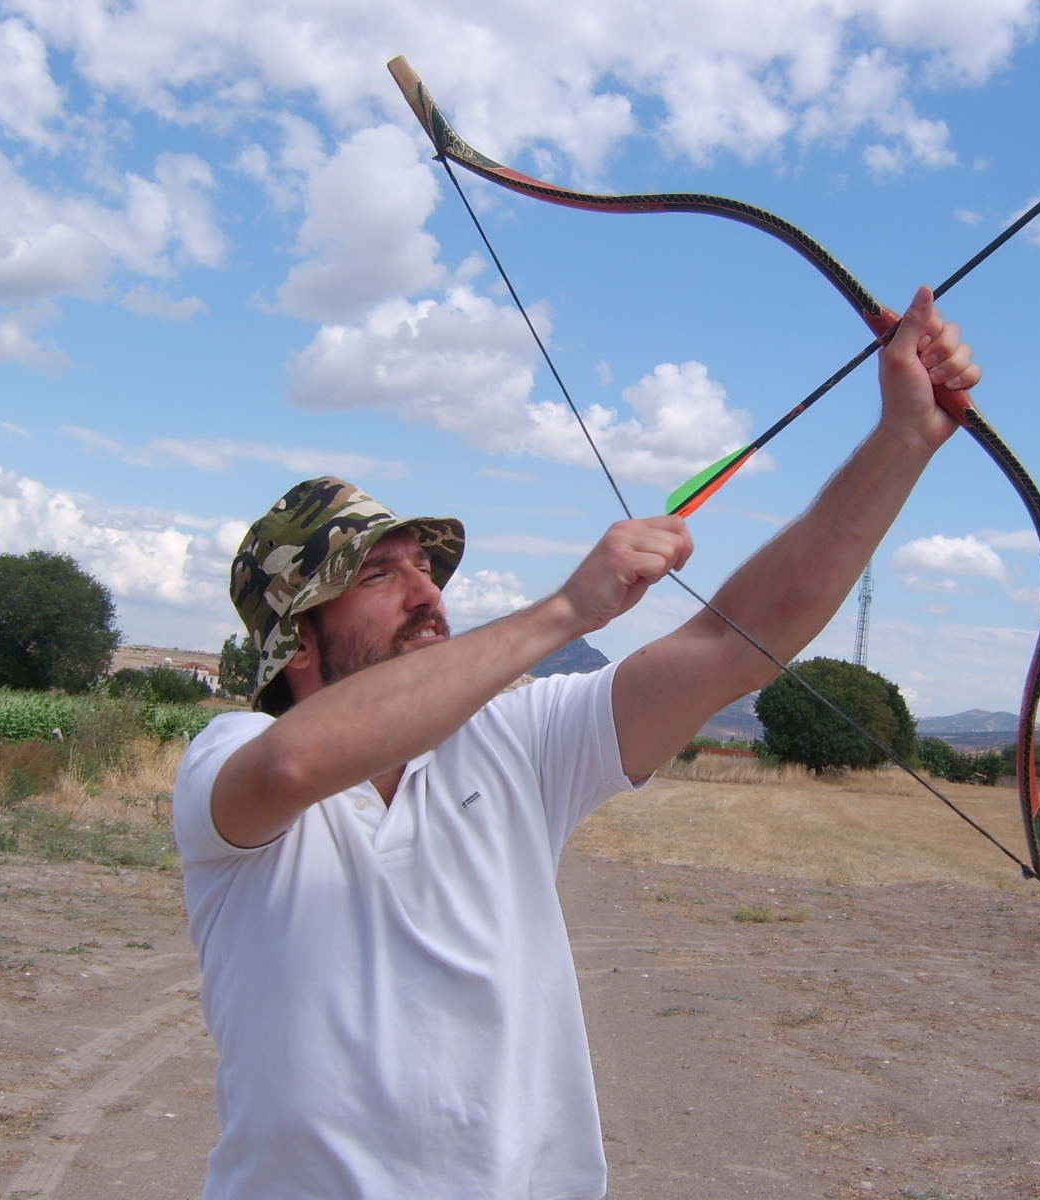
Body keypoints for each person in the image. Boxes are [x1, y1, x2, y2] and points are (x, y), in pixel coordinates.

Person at [172, 286, 979, 1199]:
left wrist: (904, 437)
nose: (428, 591)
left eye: (427, 569)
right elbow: (294, 764)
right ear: (301, 640)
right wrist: (564, 610)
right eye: (380, 574)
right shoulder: (229, 753)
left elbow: (731, 644)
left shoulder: (513, 739)